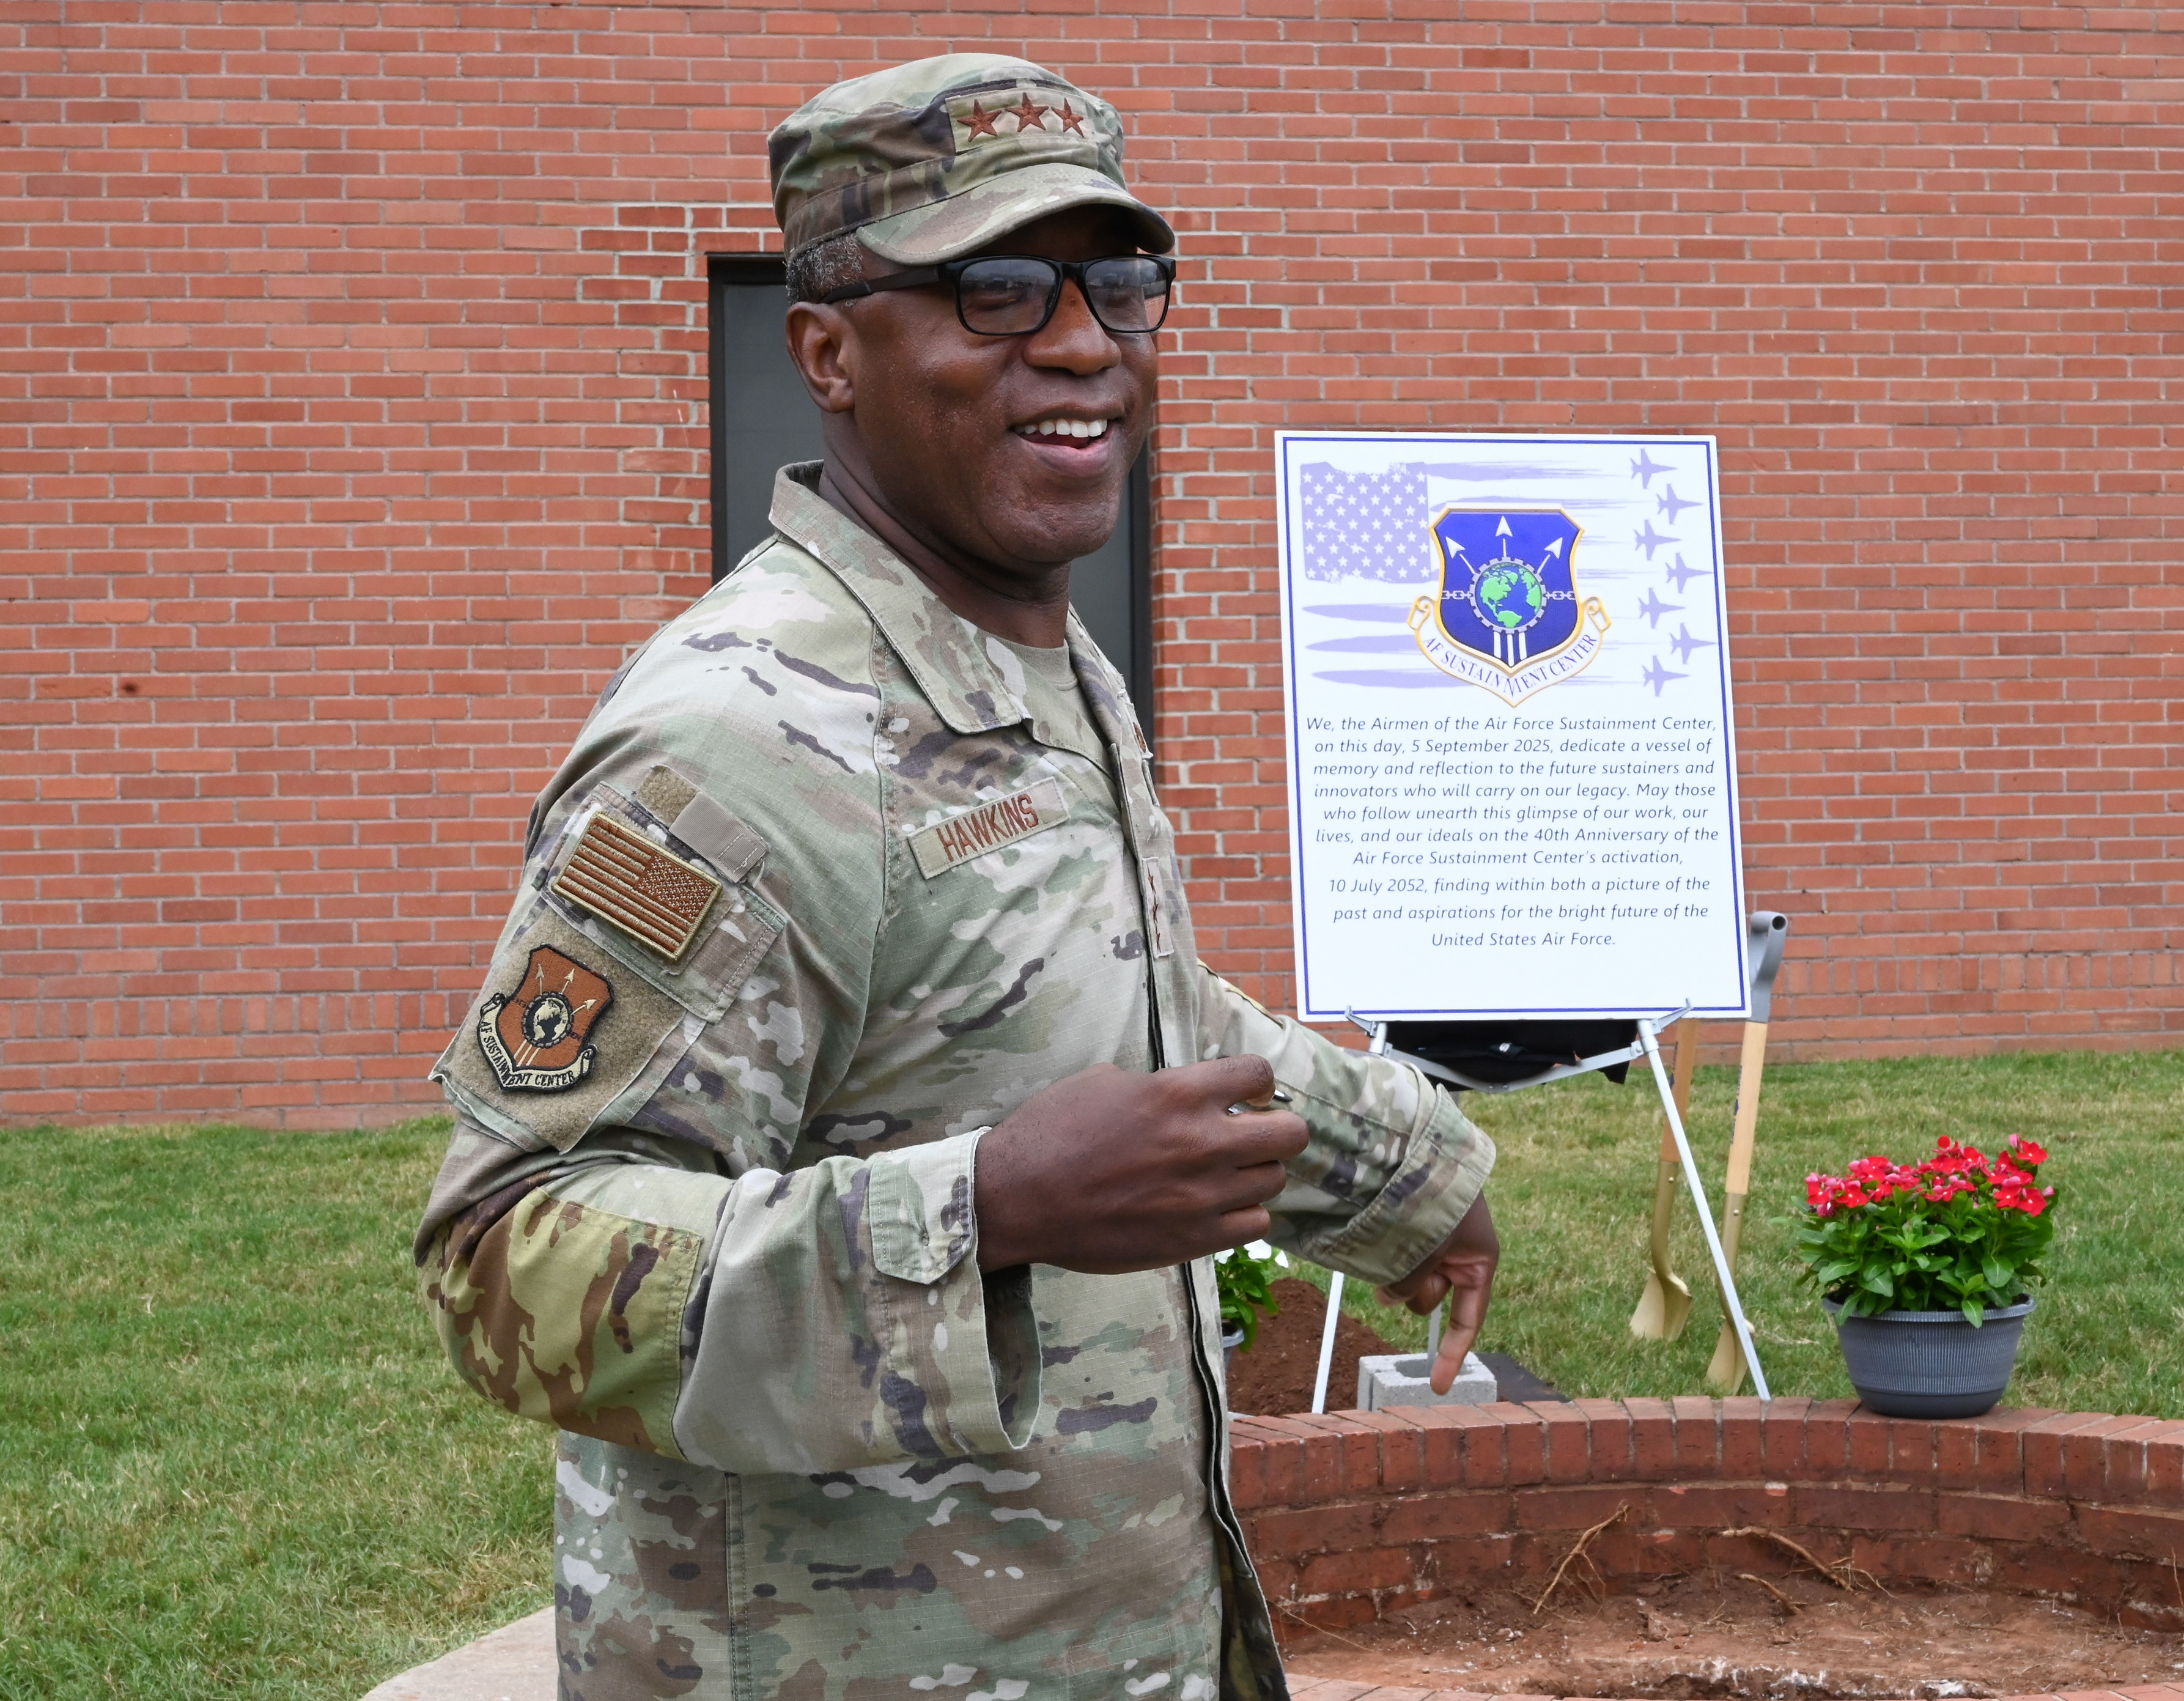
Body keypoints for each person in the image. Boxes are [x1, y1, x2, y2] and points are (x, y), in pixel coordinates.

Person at [411, 53, 1501, 1701]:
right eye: (991, 289)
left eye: (1118, 281)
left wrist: (1396, 1171)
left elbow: (1105, 1016)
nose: (1081, 342)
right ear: (829, 351)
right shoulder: (735, 743)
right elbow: (506, 1257)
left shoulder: (1041, 664)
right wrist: (981, 1212)